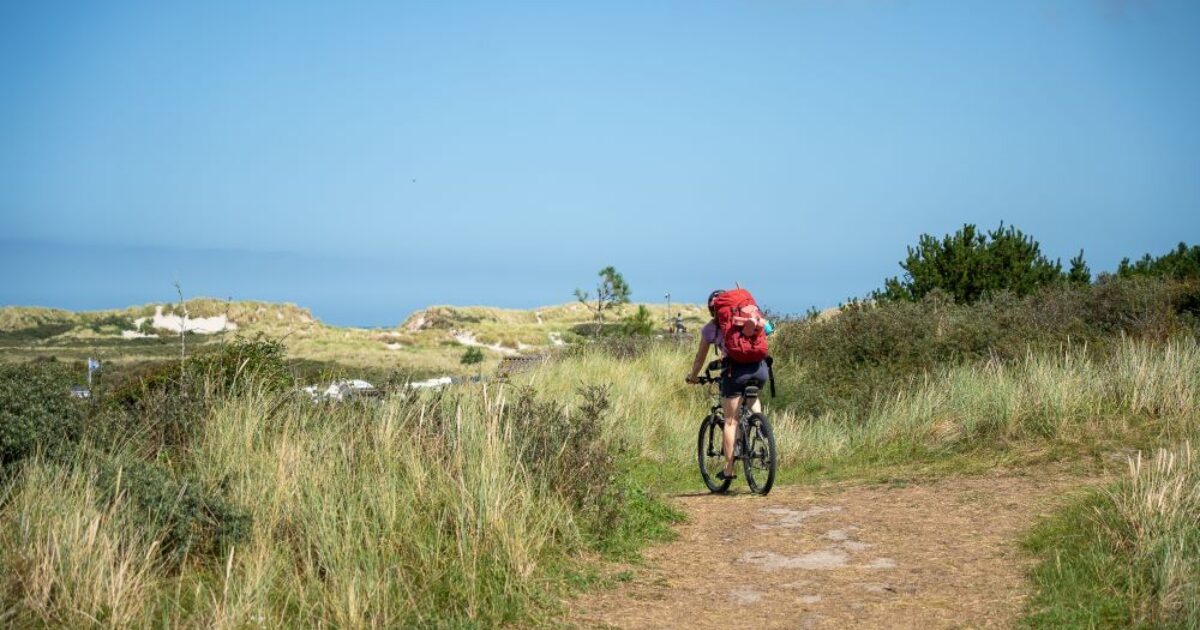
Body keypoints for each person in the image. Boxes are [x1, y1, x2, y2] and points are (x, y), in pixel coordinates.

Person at [686, 290, 770, 481]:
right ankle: (760, 426)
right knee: (752, 399)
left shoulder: (711, 329)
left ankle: (728, 469)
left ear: (712, 310)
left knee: (731, 421)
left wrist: (693, 376)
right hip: (760, 369)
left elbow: (700, 359)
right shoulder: (747, 317)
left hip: (735, 373)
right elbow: (770, 329)